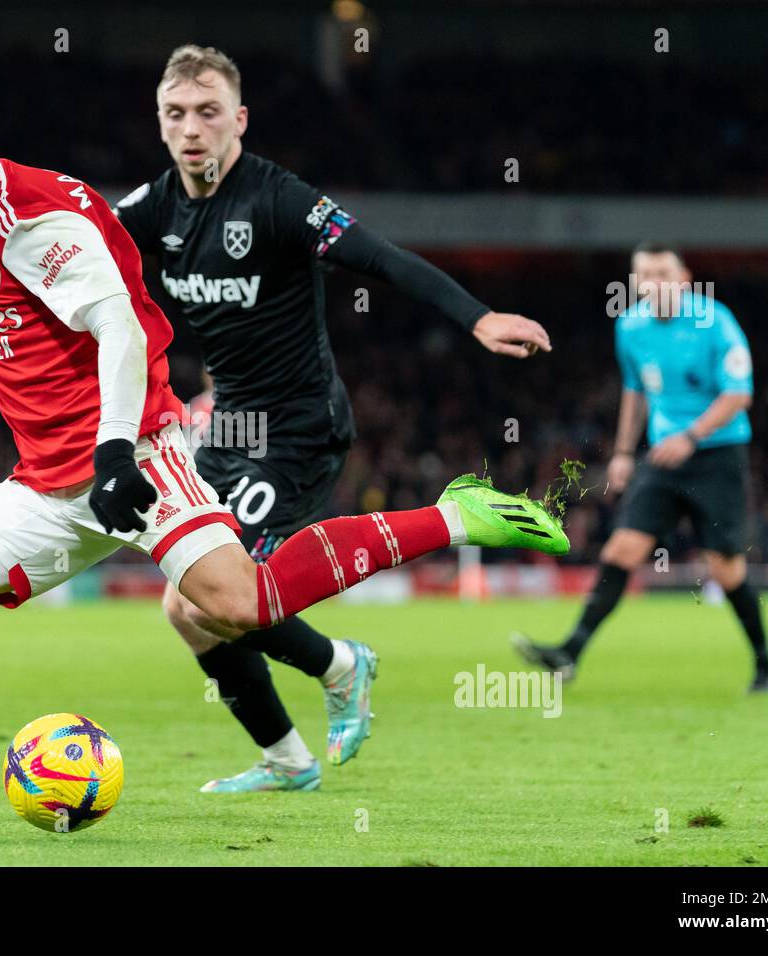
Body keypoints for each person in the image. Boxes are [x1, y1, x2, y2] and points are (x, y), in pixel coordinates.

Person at [0, 99, 567, 837]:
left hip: (135, 459)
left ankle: (458, 515)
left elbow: (123, 333)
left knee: (237, 603)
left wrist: (113, 453)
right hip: (47, 484)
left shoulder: (38, 224)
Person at [115, 45, 556, 792]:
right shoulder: (149, 210)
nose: (192, 129)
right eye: (176, 114)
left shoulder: (280, 199)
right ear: (160, 124)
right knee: (186, 608)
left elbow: (381, 258)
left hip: (297, 425)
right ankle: (290, 757)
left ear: (239, 121)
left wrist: (476, 318)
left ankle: (344, 667)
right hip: (226, 424)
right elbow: (73, 258)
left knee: (221, 594)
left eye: (208, 112)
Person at [512, 244, 768, 693]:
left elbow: (738, 395)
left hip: (717, 455)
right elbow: (634, 391)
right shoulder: (630, 327)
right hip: (661, 458)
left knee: (726, 568)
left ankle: (766, 666)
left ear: (684, 279)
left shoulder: (716, 322)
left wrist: (689, 437)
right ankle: (569, 654)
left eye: (662, 273)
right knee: (621, 551)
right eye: (644, 275)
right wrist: (621, 452)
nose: (653, 282)